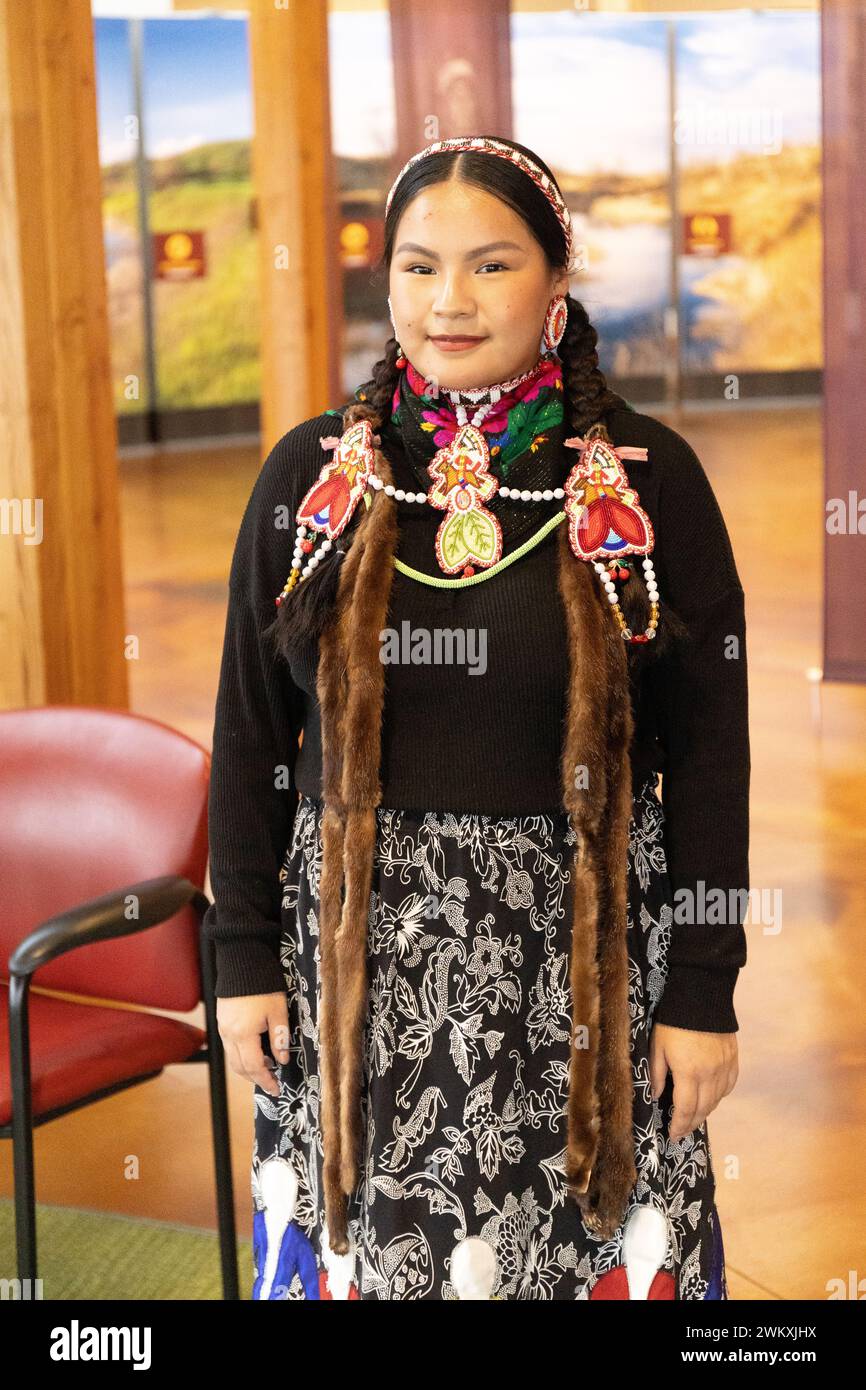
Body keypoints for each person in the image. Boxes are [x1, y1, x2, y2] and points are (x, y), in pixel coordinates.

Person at [203, 135, 750, 1301]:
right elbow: (251, 738)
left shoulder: (647, 480)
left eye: (490, 265)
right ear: (384, 279)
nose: (446, 302)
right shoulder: (313, 476)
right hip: (355, 966)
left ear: (557, 282)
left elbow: (710, 756)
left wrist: (703, 986)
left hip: (584, 963)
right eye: (416, 266)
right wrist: (240, 953)